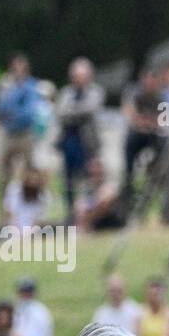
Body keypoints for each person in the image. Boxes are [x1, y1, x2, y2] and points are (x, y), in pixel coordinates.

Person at [54, 57, 104, 218]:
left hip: (88, 143)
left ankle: (88, 214)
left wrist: (72, 111)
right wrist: (77, 112)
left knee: (89, 180)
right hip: (68, 142)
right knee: (68, 181)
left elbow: (91, 109)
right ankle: (70, 213)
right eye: (77, 76)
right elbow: (61, 113)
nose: (80, 79)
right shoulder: (66, 93)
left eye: (83, 75)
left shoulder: (95, 91)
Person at [0, 54, 42, 194]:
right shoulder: (5, 85)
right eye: (15, 68)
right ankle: (3, 211)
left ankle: (28, 204)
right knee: (5, 174)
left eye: (21, 68)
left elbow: (29, 112)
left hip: (26, 134)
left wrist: (11, 113)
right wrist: (11, 109)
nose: (18, 71)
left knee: (29, 173)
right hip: (9, 134)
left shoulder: (32, 86)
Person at [121, 68, 166, 203]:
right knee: (130, 147)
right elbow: (130, 114)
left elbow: (163, 121)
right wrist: (146, 122)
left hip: (153, 135)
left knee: (163, 146)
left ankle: (156, 183)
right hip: (137, 134)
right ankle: (128, 188)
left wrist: (148, 122)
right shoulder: (134, 94)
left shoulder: (161, 97)